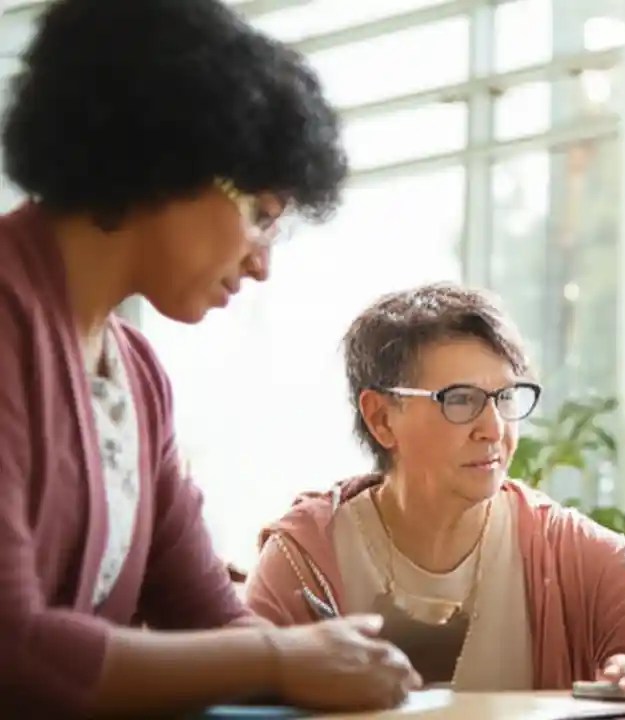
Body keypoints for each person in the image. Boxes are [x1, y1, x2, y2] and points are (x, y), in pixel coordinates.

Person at [0, 0, 422, 716]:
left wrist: (334, 663)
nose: (262, 264)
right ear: (171, 158)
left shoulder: (136, 376)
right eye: (260, 215)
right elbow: (13, 646)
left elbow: (208, 617)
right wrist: (280, 658)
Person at [244, 283, 625, 702]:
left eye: (506, 398)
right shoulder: (302, 564)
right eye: (461, 400)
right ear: (382, 418)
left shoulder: (565, 552)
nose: (493, 428)